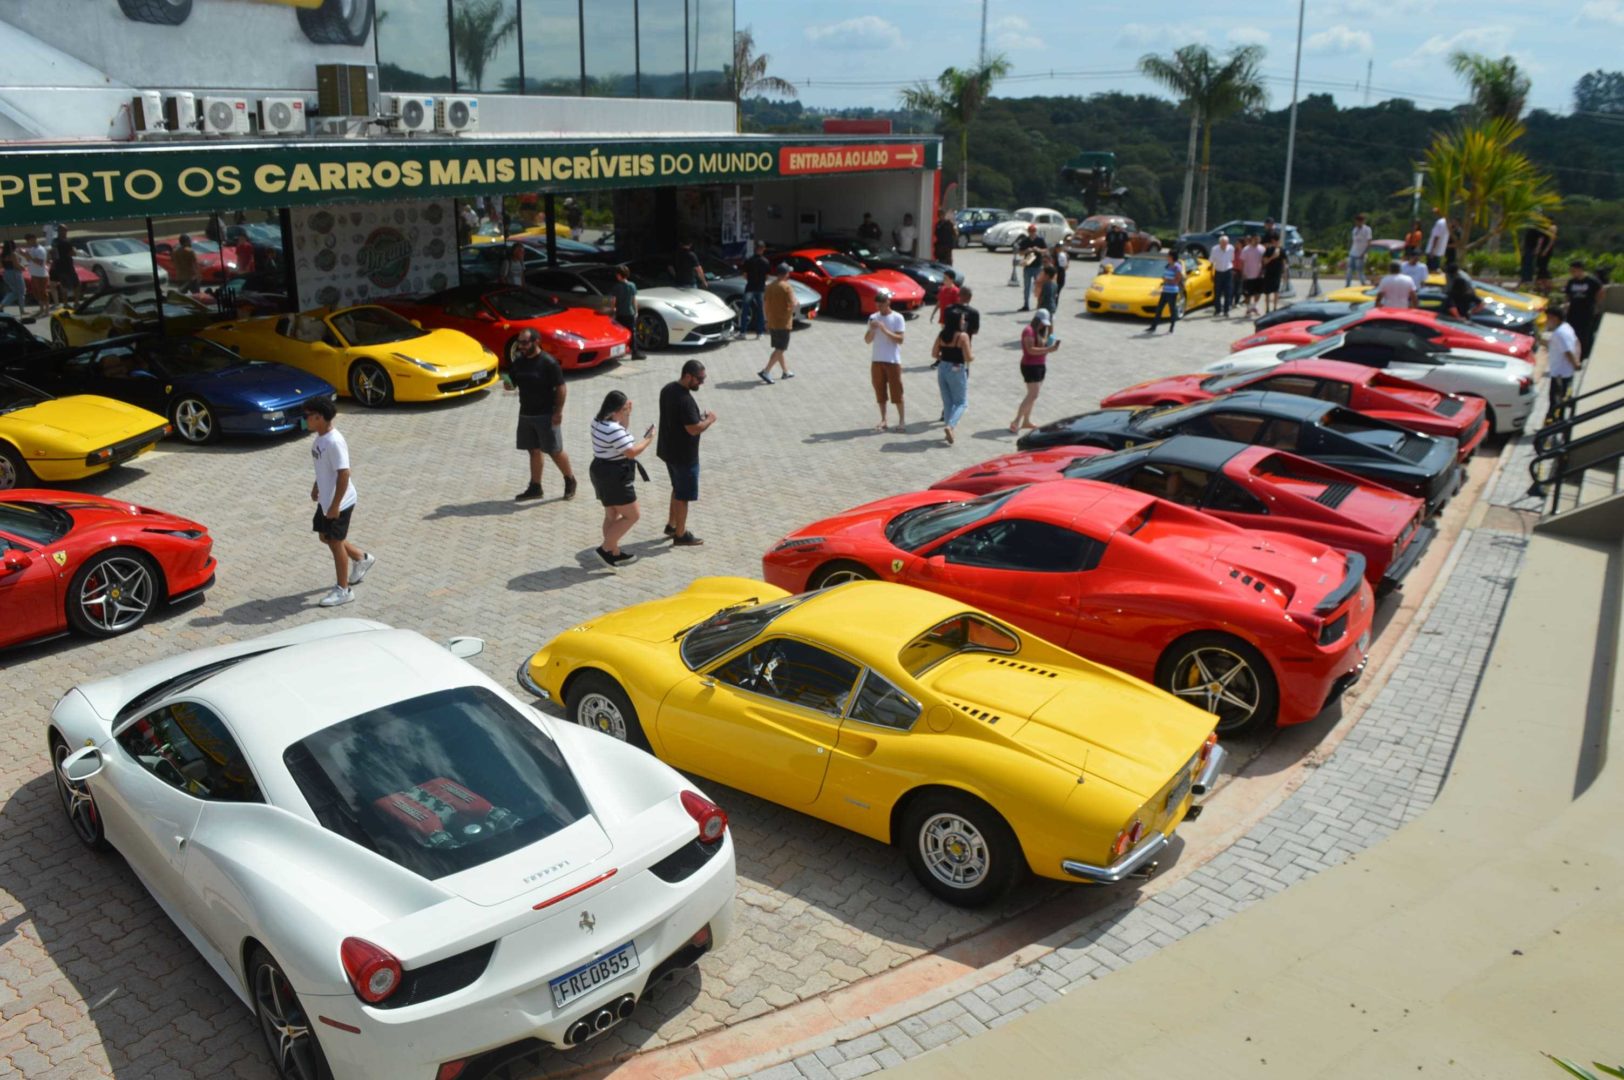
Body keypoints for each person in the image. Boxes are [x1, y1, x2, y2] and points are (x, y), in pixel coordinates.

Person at [304, 397, 374, 608]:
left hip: (339, 502)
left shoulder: (334, 441)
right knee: (325, 537)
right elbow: (325, 468)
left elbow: (343, 474)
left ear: (319, 417)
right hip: (327, 500)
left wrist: (335, 505)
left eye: (307, 416)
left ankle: (343, 590)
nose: (305, 419)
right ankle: (361, 558)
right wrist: (317, 486)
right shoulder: (319, 440)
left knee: (335, 543)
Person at [505, 328, 577, 502]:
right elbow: (512, 381)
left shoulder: (548, 363)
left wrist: (558, 412)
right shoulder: (519, 361)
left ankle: (570, 480)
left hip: (546, 414)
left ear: (536, 342)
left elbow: (561, 387)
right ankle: (535, 487)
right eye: (519, 342)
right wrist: (509, 384)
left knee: (554, 450)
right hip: (526, 414)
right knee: (533, 450)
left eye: (524, 342)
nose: (520, 346)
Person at [588, 390, 653, 570]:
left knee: (611, 514)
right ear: (615, 410)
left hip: (600, 470)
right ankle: (605, 549)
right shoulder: (613, 429)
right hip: (615, 475)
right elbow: (631, 452)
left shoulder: (598, 421)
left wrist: (627, 415)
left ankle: (614, 553)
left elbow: (622, 430)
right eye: (623, 409)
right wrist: (648, 439)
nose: (626, 411)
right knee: (632, 515)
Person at [657, 359, 716, 546]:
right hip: (684, 456)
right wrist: (709, 420)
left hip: (668, 451)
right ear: (688, 376)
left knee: (677, 488)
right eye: (699, 379)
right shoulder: (686, 400)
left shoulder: (667, 389)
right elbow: (693, 428)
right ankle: (680, 535)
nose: (702, 382)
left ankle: (672, 525)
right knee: (683, 496)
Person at [865, 290, 906, 431]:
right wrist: (871, 330)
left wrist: (883, 329)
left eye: (881, 306)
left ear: (888, 302)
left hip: (893, 360)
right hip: (877, 360)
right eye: (877, 306)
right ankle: (884, 419)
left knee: (897, 392)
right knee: (880, 392)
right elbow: (867, 340)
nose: (879, 309)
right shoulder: (873, 317)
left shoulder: (897, 318)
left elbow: (900, 340)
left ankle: (902, 421)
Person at [1011, 309, 1057, 433]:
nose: (1044, 325)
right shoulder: (1028, 331)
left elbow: (1041, 347)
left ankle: (1026, 421)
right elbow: (1030, 350)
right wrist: (1049, 349)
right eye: (1042, 322)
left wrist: (1049, 344)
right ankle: (1016, 421)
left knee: (1032, 396)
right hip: (1030, 366)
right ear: (1036, 320)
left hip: (1040, 365)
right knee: (1033, 394)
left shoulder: (1040, 331)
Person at [932, 310, 973, 445]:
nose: (963, 321)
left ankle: (949, 430)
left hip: (942, 368)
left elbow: (934, 353)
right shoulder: (962, 336)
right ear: (957, 321)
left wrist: (944, 359)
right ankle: (950, 426)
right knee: (962, 402)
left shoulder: (942, 334)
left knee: (948, 401)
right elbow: (968, 357)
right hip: (957, 369)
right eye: (962, 319)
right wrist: (973, 357)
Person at [1543, 305, 1582, 423]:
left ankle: (1554, 424)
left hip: (1559, 374)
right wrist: (1577, 361)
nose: (1547, 320)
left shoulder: (1559, 333)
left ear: (1554, 318)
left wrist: (1575, 363)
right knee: (1562, 399)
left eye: (1548, 318)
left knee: (1555, 401)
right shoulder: (1567, 327)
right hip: (1566, 372)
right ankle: (1559, 421)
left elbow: (1567, 351)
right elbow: (1577, 342)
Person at [760, 263, 796, 383]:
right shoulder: (787, 287)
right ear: (786, 274)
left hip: (772, 322)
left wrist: (766, 320)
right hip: (783, 323)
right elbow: (793, 304)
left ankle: (785, 371)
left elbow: (764, 304)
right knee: (780, 349)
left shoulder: (769, 286)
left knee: (778, 347)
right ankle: (766, 371)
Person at [1563, 260, 1604, 360]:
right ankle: (1573, 352)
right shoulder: (1572, 282)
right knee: (1572, 332)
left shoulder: (1591, 281)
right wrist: (1566, 306)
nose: (1572, 273)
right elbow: (1567, 295)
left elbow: (1600, 291)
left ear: (1579, 269)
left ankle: (1584, 354)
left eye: (1573, 270)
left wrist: (1596, 304)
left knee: (1585, 333)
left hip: (1586, 310)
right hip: (1573, 310)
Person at [1146, 250, 1185, 334]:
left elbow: (1178, 279)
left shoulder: (1177, 266)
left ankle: (1171, 327)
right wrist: (1164, 279)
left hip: (1172, 291)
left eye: (1168, 256)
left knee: (1172, 309)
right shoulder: (1168, 266)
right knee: (1159, 309)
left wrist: (1168, 281)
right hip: (1165, 290)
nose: (1167, 257)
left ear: (1172, 257)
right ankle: (1153, 326)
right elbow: (1166, 275)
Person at [611, 265, 645, 359]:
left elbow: (614, 300)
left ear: (619, 275)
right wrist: (636, 311)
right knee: (632, 332)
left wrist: (613, 310)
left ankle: (619, 351)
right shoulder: (632, 285)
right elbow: (634, 300)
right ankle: (635, 352)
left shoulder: (616, 287)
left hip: (620, 313)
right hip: (630, 313)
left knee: (620, 333)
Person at [739, 240, 770, 339]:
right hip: (760, 288)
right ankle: (759, 333)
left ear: (755, 249)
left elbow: (744, 275)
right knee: (760, 310)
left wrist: (750, 279)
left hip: (750, 287)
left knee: (745, 310)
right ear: (763, 249)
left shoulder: (748, 260)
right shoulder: (765, 261)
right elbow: (767, 276)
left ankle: (743, 332)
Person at [1016, 224, 1046, 311]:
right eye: (1030, 231)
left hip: (1037, 266)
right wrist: (1026, 250)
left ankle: (1039, 304)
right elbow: (1020, 253)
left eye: (1033, 231)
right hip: (1028, 266)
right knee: (1027, 287)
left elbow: (1045, 250)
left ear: (1036, 231)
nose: (1032, 233)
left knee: (1038, 286)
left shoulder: (1040, 240)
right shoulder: (1025, 241)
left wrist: (1038, 250)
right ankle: (1026, 305)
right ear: (1028, 232)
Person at [49, 227, 78, 304]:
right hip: (67, 265)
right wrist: (74, 251)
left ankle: (66, 303)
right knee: (76, 284)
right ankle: (76, 302)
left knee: (63, 285)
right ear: (60, 231)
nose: (65, 232)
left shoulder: (54, 241)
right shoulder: (66, 241)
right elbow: (72, 253)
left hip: (59, 265)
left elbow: (53, 253)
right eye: (64, 230)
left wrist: (54, 262)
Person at [23, 234, 49, 316]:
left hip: (41, 274)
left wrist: (29, 257)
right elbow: (29, 260)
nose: (28, 242)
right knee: (36, 293)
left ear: (34, 239)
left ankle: (47, 310)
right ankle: (41, 309)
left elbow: (40, 262)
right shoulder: (32, 249)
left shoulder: (40, 249)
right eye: (27, 241)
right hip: (34, 274)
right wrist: (25, 255)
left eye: (29, 240)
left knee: (43, 293)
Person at [1210, 234, 1235, 317]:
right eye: (1222, 243)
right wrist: (1211, 273)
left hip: (1228, 271)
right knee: (1217, 292)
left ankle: (1226, 310)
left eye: (1225, 243)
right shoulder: (1215, 249)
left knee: (1228, 291)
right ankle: (1217, 310)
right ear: (1219, 242)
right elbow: (1211, 261)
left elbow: (1232, 259)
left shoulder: (1231, 248)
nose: (1224, 245)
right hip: (1218, 271)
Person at [1345, 213, 1373, 286]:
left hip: (1361, 254)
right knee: (1349, 269)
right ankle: (1347, 284)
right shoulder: (1354, 229)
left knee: (1359, 270)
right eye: (1356, 221)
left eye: (1359, 221)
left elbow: (1369, 242)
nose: (1357, 223)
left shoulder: (1367, 229)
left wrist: (1364, 253)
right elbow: (1353, 241)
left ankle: (1363, 284)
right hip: (1353, 252)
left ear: (1362, 221)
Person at [1260, 233, 1284, 315]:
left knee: (1276, 291)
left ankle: (1275, 308)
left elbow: (1285, 262)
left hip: (1277, 273)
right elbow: (1265, 261)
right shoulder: (1268, 250)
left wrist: (1284, 274)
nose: (1277, 242)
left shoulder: (1282, 250)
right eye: (1276, 241)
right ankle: (1267, 308)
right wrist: (1273, 257)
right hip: (1269, 273)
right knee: (1267, 292)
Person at [1, 241, 26, 316]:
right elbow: (16, 265)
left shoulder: (3, 255)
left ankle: (2, 305)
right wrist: (23, 267)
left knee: (14, 292)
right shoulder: (13, 254)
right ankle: (22, 310)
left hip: (6, 273)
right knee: (21, 291)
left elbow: (1, 265)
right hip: (15, 273)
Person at [1535, 224, 1558, 293]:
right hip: (1543, 250)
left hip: (1545, 250)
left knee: (1543, 266)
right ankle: (1541, 282)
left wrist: (1545, 250)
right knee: (1540, 266)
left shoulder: (1551, 228)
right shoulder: (1543, 228)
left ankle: (1546, 282)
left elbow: (1551, 241)